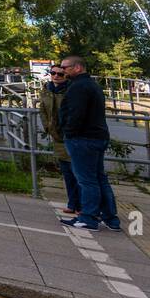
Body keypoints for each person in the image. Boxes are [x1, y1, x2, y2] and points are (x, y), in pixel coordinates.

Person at [58, 54, 120, 231]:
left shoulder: (79, 87)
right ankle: (110, 218)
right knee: (99, 178)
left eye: (65, 67)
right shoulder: (92, 85)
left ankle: (88, 217)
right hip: (97, 137)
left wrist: (69, 133)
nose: (63, 71)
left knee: (87, 180)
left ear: (77, 67)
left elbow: (76, 114)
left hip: (82, 139)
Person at [37, 64, 80, 215]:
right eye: (53, 73)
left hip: (70, 135)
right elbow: (42, 109)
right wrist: (47, 126)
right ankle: (73, 203)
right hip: (57, 136)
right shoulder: (47, 89)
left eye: (60, 74)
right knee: (67, 172)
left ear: (66, 76)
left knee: (77, 171)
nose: (56, 76)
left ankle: (81, 205)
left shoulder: (71, 90)